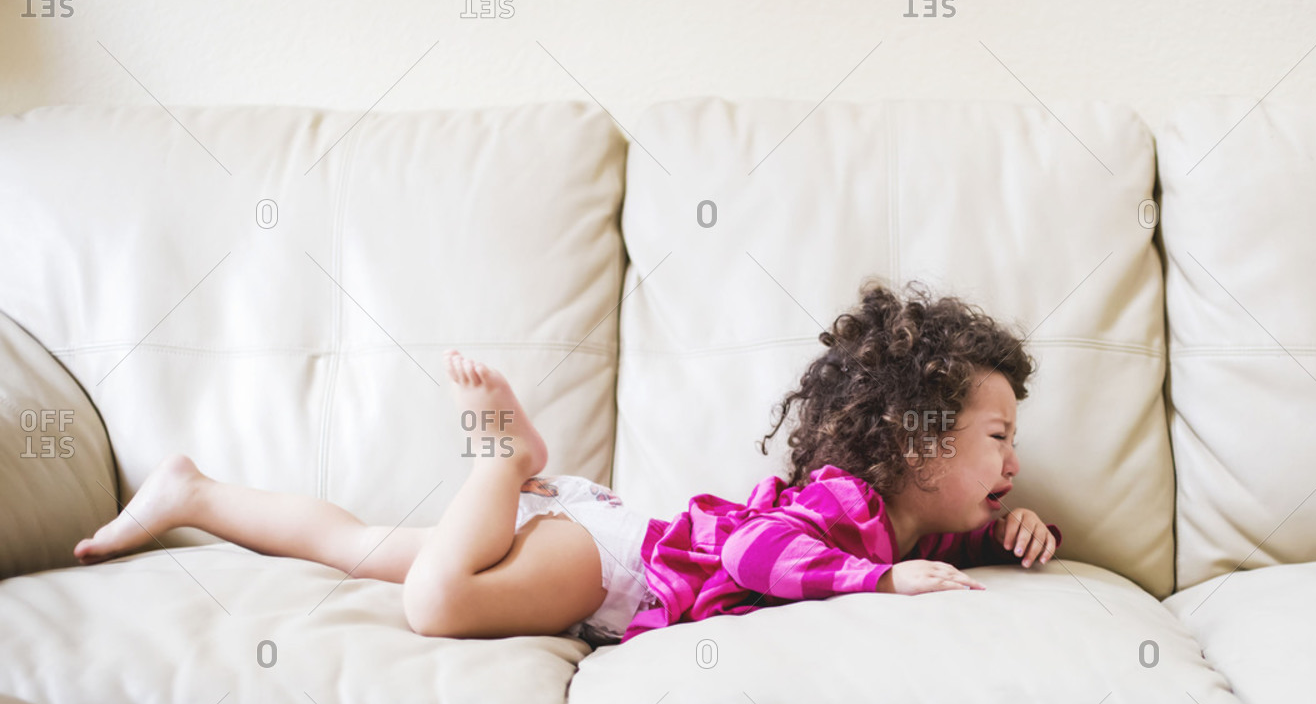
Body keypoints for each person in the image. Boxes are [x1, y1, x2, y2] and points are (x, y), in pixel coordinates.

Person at [74, 280, 1059, 646]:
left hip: (594, 538)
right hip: (613, 567)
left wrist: (1013, 532)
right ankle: (501, 459)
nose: (1014, 459)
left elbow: (959, 542)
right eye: (998, 437)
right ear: (919, 443)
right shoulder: (848, 507)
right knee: (435, 604)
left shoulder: (922, 528)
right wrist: (880, 581)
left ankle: (193, 491)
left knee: (359, 546)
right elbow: (755, 554)